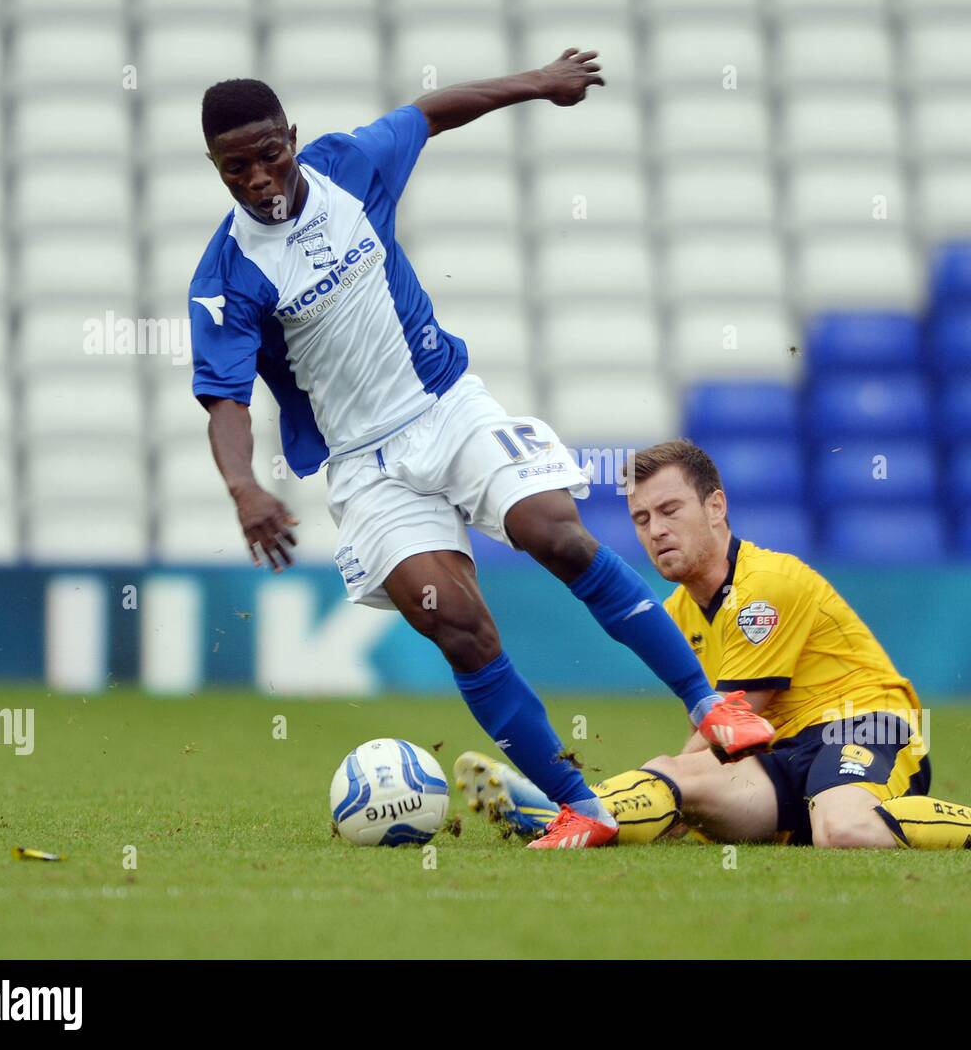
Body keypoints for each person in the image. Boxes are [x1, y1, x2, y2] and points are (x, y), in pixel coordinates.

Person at [186, 55, 774, 850]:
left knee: (555, 535)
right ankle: (583, 809)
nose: (259, 178)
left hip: (447, 406)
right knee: (456, 624)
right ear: (217, 170)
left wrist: (539, 81)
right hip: (366, 467)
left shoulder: (348, 167)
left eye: (270, 155)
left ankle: (710, 703)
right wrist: (242, 486)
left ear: (294, 138)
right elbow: (225, 401)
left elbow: (431, 110)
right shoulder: (225, 278)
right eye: (236, 168)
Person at [456, 440, 971, 855]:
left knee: (842, 828)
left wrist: (668, 780)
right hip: (786, 757)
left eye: (670, 510)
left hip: (864, 725)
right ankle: (566, 816)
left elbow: (734, 715)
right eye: (640, 519)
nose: (654, 531)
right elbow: (738, 739)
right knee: (687, 783)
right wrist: (674, 790)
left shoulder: (766, 584)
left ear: (717, 508)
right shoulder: (675, 608)